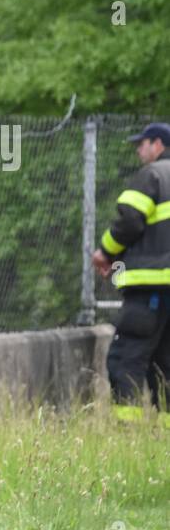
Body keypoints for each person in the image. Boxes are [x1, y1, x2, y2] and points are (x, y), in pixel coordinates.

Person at [91, 122, 170, 423]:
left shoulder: (154, 175)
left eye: (142, 144)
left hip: (151, 287)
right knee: (166, 363)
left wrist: (105, 253)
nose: (138, 150)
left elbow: (130, 221)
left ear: (158, 144)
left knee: (127, 359)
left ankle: (128, 429)